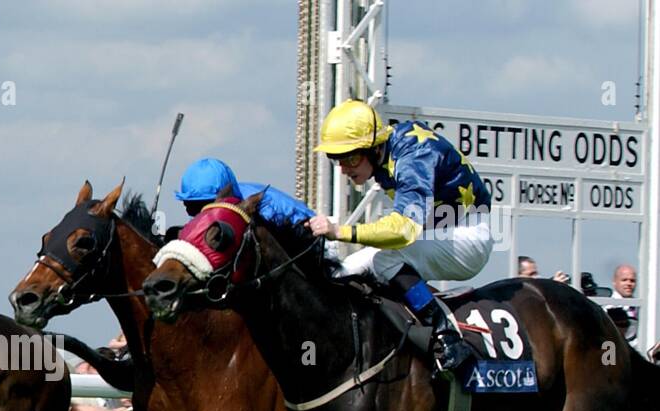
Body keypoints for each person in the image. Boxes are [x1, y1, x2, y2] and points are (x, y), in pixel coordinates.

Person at [307, 100, 494, 375]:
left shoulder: (414, 155)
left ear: (373, 147)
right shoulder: (388, 151)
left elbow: (403, 231)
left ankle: (446, 336)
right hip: (441, 233)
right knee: (344, 271)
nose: (343, 168)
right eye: (336, 159)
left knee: (386, 259)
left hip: (468, 237)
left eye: (350, 158)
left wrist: (341, 232)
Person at [172, 157, 317, 240]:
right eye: (190, 207)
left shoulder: (265, 211)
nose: (199, 215)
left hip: (315, 243)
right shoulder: (225, 202)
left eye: (203, 206)